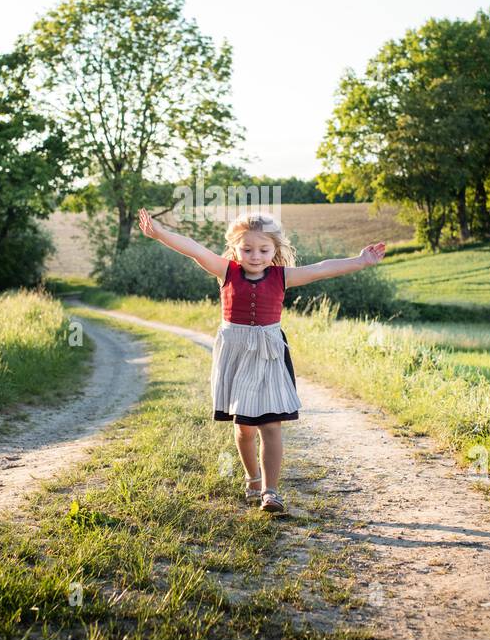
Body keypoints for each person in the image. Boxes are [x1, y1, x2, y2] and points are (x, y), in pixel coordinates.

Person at [136, 207, 386, 513]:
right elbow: (193, 248)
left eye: (264, 249)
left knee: (271, 425)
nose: (255, 256)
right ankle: (252, 478)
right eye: (247, 249)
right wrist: (159, 233)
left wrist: (361, 260)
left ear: (275, 250)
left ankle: (270, 491)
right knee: (244, 428)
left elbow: (322, 267)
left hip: (269, 355)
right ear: (235, 249)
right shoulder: (226, 271)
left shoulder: (282, 277)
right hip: (236, 354)